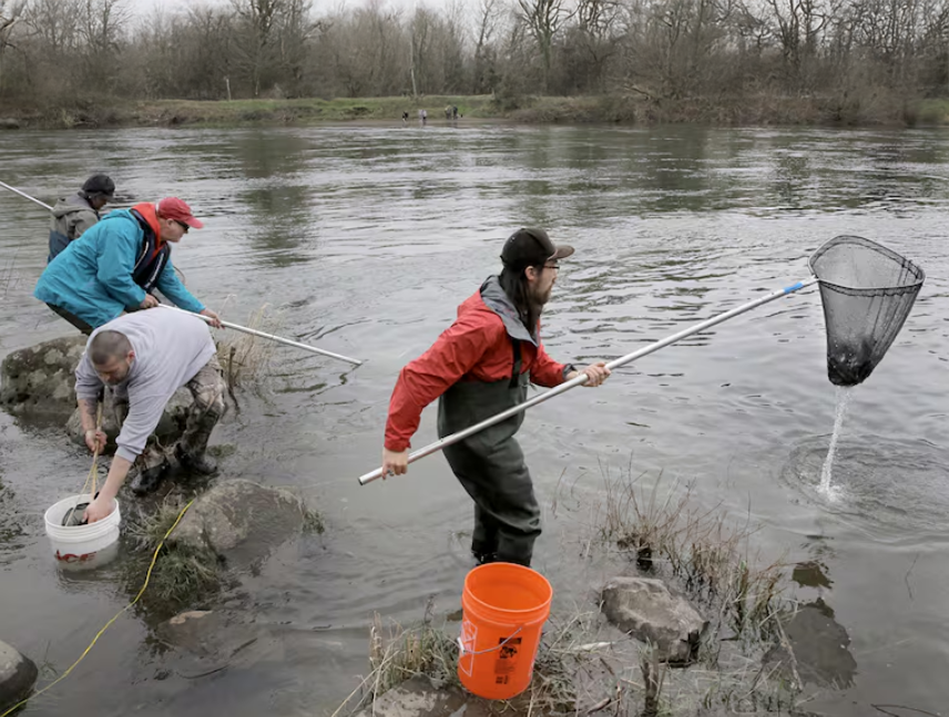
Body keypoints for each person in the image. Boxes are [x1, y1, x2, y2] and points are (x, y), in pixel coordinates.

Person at [381, 228, 611, 567]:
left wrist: (570, 374)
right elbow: (416, 378)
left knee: (494, 504)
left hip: (493, 431)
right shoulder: (482, 326)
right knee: (523, 519)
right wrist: (396, 444)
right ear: (531, 273)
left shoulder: (519, 305)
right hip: (476, 438)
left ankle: (484, 562)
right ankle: (508, 599)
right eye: (554, 268)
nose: (557, 277)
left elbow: (533, 363)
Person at [76, 309, 227, 522]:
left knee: (211, 403)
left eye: (110, 372)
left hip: (194, 344)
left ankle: (189, 453)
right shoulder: (96, 346)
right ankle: (153, 464)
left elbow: (131, 439)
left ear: (130, 357)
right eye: (101, 372)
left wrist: (104, 500)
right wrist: (89, 428)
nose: (105, 378)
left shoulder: (152, 370)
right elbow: (85, 385)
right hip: (161, 332)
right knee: (122, 405)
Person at [34, 196, 222, 334]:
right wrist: (140, 297)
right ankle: (99, 381)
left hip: (93, 287)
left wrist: (200, 311)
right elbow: (112, 276)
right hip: (68, 286)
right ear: (170, 222)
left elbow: (170, 283)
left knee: (136, 329)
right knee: (127, 332)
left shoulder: (159, 244)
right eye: (186, 227)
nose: (187, 232)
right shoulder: (122, 230)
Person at [48, 173, 115, 263]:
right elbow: (88, 253)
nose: (105, 203)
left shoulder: (64, 205)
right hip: (71, 269)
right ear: (93, 196)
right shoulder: (86, 217)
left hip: (54, 265)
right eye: (103, 199)